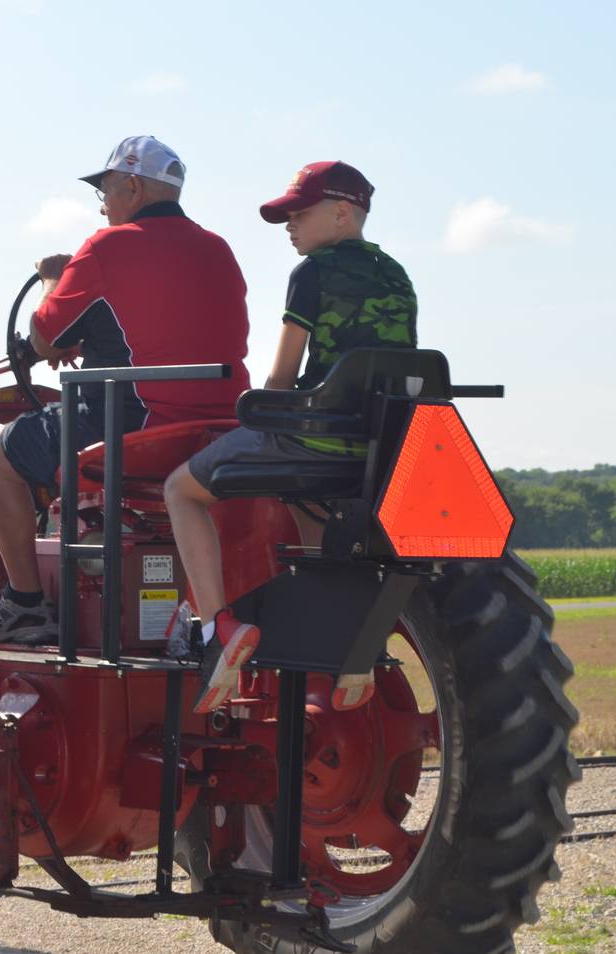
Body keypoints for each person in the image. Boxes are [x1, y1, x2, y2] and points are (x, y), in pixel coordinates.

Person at [0, 135, 252, 643]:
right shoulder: (219, 249)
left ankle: (25, 603)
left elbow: (44, 336)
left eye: (107, 191)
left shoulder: (105, 247)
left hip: (141, 429)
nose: (103, 206)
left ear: (134, 187)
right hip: (216, 432)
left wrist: (54, 278)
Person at [164, 160, 417, 714]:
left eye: (299, 213)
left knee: (181, 490)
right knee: (305, 500)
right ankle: (348, 643)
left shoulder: (314, 272)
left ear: (343, 213)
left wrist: (259, 408)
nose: (289, 225)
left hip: (313, 438)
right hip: (373, 447)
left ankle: (217, 629)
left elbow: (281, 377)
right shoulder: (397, 275)